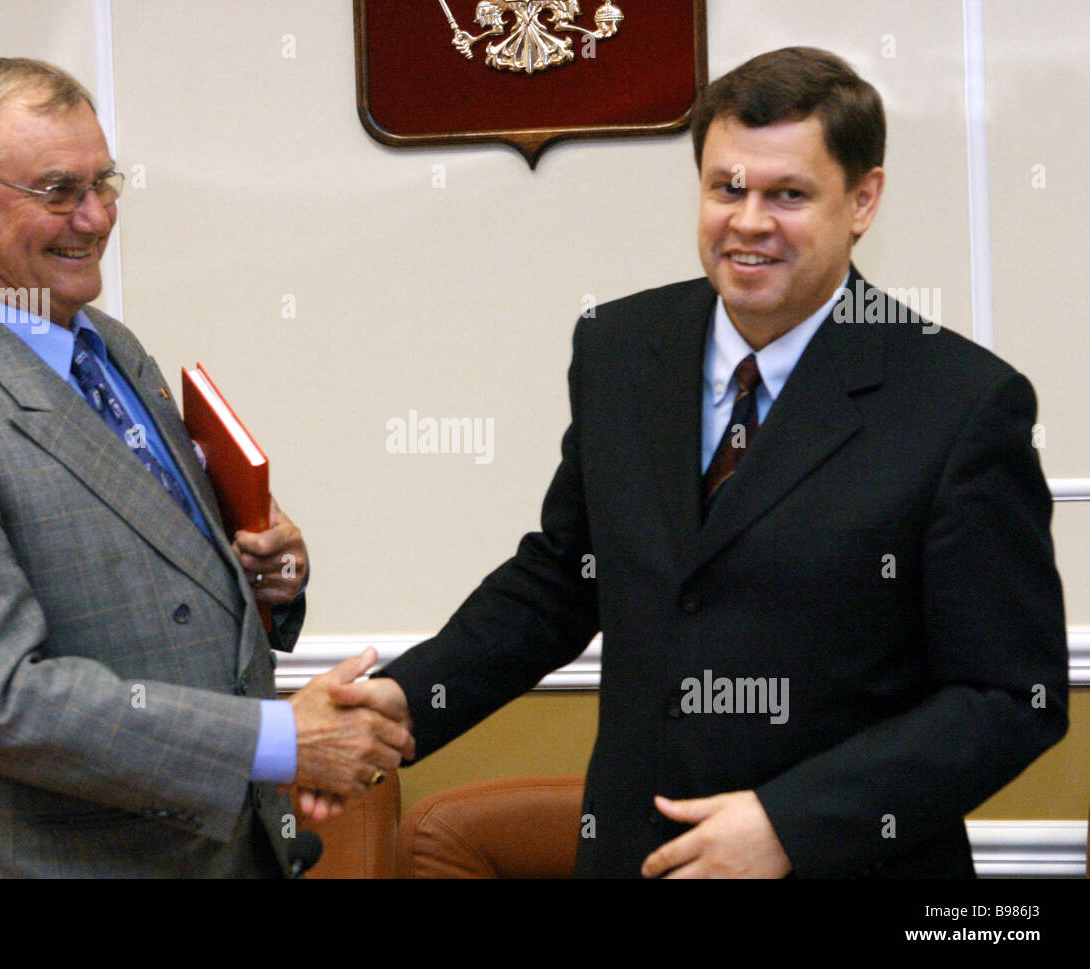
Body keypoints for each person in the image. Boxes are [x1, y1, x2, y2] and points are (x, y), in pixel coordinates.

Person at [332, 47, 1069, 877]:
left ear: (863, 199)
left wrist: (791, 823)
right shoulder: (618, 351)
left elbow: (1008, 700)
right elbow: (563, 579)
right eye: (728, 188)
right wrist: (406, 697)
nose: (749, 221)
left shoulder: (961, 402)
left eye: (788, 194)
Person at [0, 58, 411, 877]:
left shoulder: (110, 349)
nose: (96, 217)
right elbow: (3, 701)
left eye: (105, 183)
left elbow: (161, 585)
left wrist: (265, 578)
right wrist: (281, 740)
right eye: (58, 191)